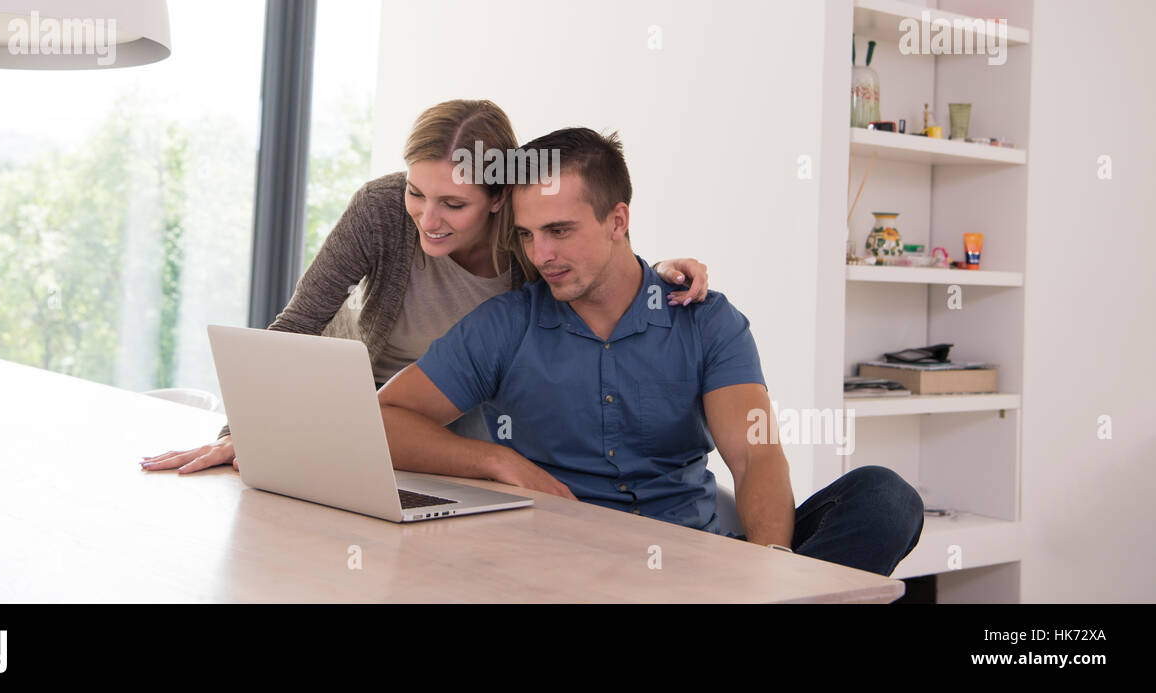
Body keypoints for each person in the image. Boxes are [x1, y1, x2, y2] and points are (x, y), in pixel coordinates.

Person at [377, 127, 924, 577]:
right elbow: (382, 420)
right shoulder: (505, 325)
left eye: (560, 231)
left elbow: (755, 454)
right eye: (526, 235)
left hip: (699, 560)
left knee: (885, 497)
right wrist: (498, 460)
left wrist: (768, 568)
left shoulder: (704, 318)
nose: (542, 254)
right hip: (564, 568)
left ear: (618, 220)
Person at [140, 100, 710, 475]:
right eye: (418, 192)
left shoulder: (528, 244)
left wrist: (657, 274)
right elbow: (296, 324)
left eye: (453, 204)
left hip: (462, 408)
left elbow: (590, 262)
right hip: (359, 392)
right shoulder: (381, 209)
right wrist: (245, 428)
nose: (427, 218)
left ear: (498, 199)